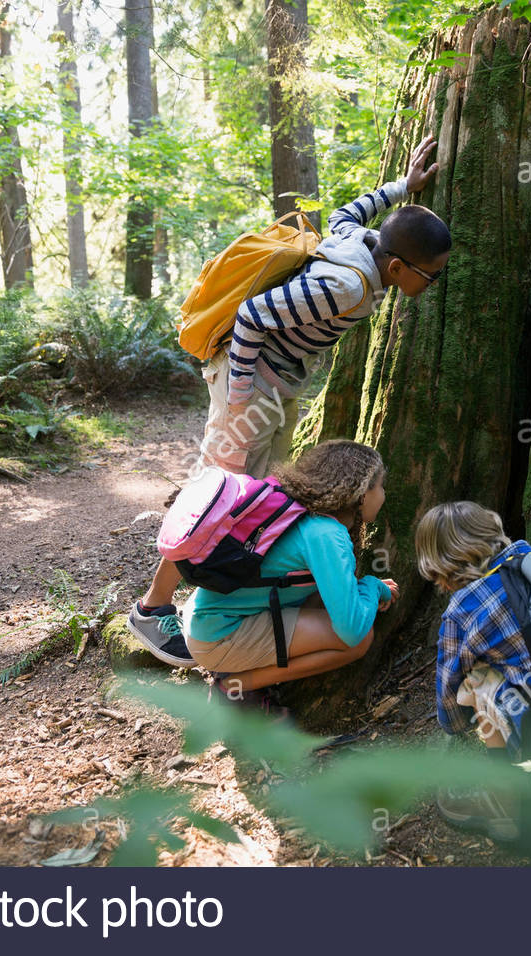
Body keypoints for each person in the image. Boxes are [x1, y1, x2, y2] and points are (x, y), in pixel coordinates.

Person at [129, 135, 448, 664]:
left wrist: (402, 188)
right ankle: (152, 608)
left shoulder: (359, 242)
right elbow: (253, 316)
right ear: (398, 268)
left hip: (276, 383)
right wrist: (239, 398)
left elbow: (348, 212)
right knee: (214, 496)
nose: (432, 283)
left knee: (254, 491)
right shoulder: (346, 287)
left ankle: (224, 602)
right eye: (429, 275)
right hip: (251, 380)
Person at [184, 440, 398, 714]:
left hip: (205, 619)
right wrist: (371, 586)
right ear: (361, 494)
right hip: (217, 637)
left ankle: (239, 667)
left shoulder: (298, 511)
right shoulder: (327, 535)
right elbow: (352, 629)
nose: (383, 494)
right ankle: (235, 684)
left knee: (325, 602)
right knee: (360, 641)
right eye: (380, 485)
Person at [414, 501, 531, 841]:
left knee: (475, 680)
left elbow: (451, 711)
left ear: (443, 567)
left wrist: (455, 722)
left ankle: (507, 804)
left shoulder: (462, 610)